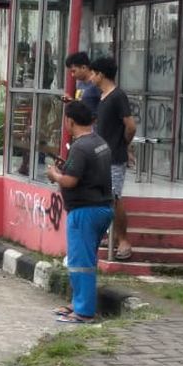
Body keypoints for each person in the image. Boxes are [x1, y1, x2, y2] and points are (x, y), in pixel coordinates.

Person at [46, 101, 114, 323]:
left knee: (80, 262)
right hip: (102, 208)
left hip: (85, 211)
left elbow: (70, 180)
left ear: (70, 121)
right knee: (85, 259)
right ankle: (77, 303)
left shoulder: (80, 147)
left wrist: (55, 174)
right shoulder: (100, 142)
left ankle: (83, 311)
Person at [91, 56, 136, 261]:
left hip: (115, 157)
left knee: (115, 198)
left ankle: (124, 240)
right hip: (102, 157)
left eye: (93, 73)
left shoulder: (118, 96)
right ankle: (110, 236)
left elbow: (130, 126)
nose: (91, 77)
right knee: (104, 198)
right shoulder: (103, 97)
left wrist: (124, 145)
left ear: (101, 74)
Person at [62, 52, 101, 119]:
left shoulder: (96, 84)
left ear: (83, 67)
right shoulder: (80, 84)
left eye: (74, 71)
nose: (72, 75)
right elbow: (81, 103)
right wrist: (71, 101)